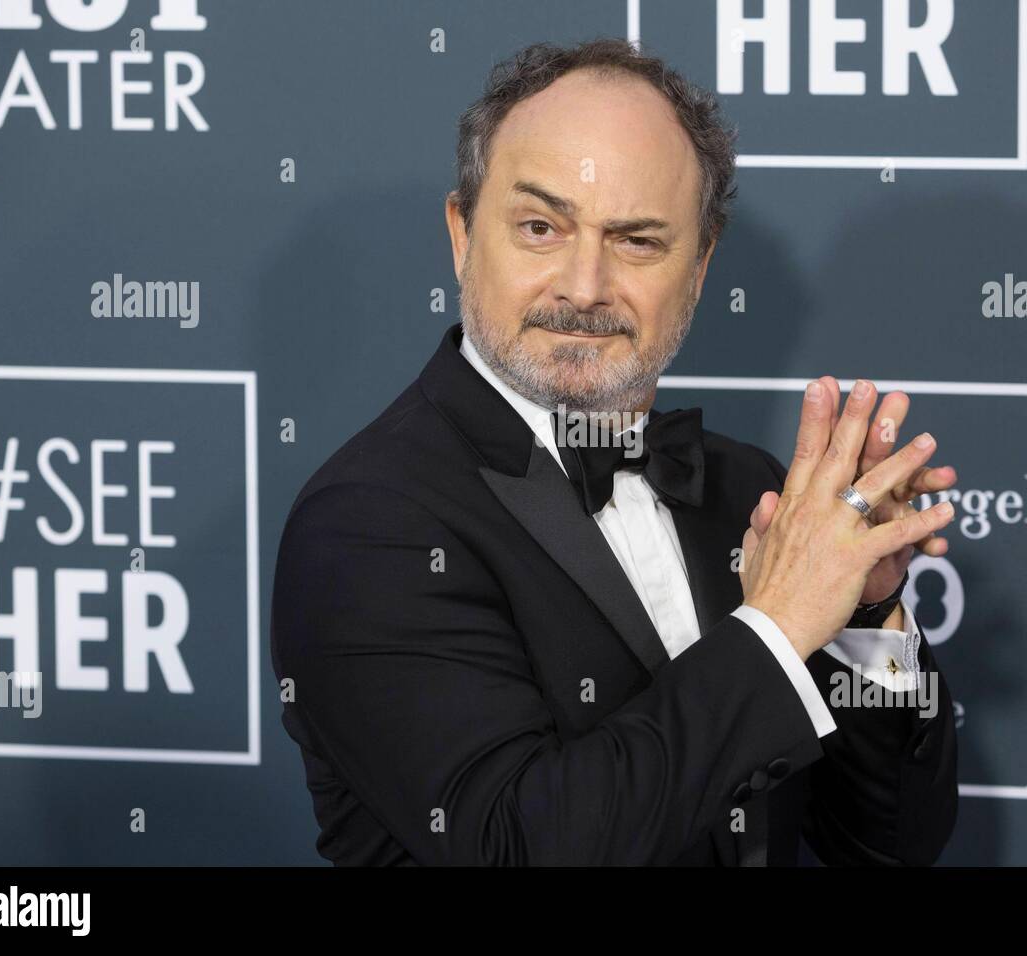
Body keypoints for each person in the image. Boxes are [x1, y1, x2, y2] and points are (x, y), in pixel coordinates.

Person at [271, 38, 959, 866]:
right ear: (461, 234)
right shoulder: (367, 524)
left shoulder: (749, 489)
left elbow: (887, 843)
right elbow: (518, 846)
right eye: (539, 227)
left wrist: (859, 614)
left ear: (700, 269)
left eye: (637, 241)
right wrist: (778, 623)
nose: (585, 286)